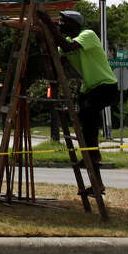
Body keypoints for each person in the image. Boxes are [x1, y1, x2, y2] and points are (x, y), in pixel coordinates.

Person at [49, 10, 117, 185]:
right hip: (89, 89)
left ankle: (93, 154)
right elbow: (58, 63)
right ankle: (95, 172)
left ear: (74, 24)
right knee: (85, 123)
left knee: (87, 112)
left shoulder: (88, 35)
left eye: (63, 21)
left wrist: (50, 26)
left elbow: (68, 47)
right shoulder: (65, 44)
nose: (61, 24)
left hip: (106, 85)